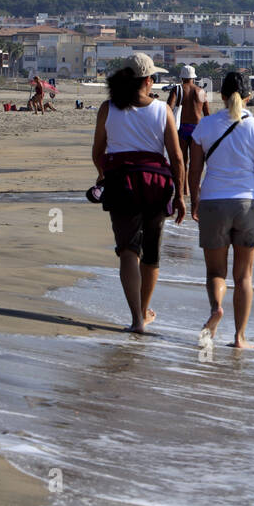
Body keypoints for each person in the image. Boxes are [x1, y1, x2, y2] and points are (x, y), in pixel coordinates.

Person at [92, 53, 186, 334]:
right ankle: (144, 310)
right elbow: (177, 158)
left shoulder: (108, 109)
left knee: (128, 252)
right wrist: (180, 196)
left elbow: (98, 152)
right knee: (151, 254)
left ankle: (136, 319)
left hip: (122, 183)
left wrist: (103, 173)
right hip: (156, 184)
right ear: (148, 80)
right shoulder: (162, 110)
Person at [188, 71, 254, 349]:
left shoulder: (204, 126)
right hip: (248, 204)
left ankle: (216, 308)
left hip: (214, 201)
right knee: (244, 276)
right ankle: (239, 338)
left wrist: (194, 200)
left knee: (216, 272)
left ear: (222, 96)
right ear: (249, 97)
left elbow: (195, 170)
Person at [168, 65, 210, 180]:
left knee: (182, 160)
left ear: (182, 77)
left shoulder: (177, 89)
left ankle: (184, 188)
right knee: (195, 161)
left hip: (182, 127)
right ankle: (194, 187)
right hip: (197, 128)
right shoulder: (201, 91)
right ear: (193, 77)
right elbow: (207, 114)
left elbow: (169, 108)